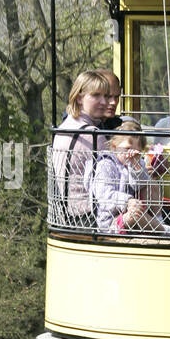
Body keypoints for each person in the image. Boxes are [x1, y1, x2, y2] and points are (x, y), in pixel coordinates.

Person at [51, 69, 110, 224]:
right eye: (96, 95)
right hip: (91, 217)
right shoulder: (93, 135)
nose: (104, 102)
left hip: (67, 216)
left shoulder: (64, 127)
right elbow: (114, 179)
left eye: (106, 96)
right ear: (79, 98)